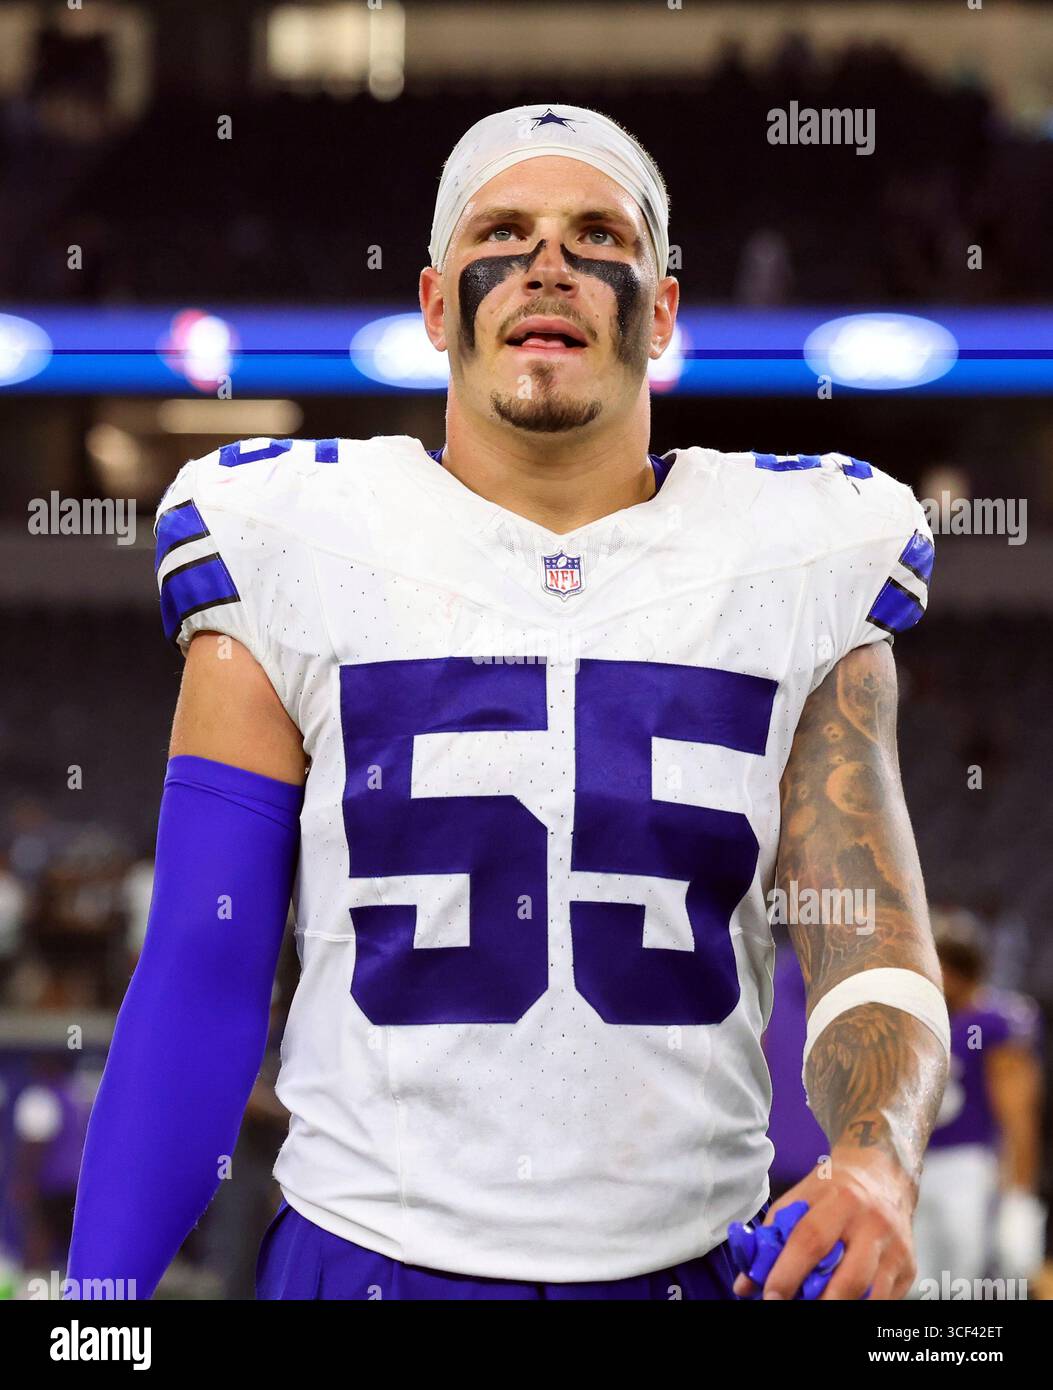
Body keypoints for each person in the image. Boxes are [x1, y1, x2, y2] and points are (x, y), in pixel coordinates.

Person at [68, 103, 948, 1301]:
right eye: (506, 230)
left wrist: (881, 1161)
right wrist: (97, 1309)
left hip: (684, 1267)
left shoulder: (798, 555)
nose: (549, 264)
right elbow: (202, 968)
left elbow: (868, 935)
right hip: (365, 1260)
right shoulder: (294, 539)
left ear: (663, 310)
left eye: (598, 235)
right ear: (437, 302)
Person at [912, 908, 1044, 1294]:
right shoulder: (927, 1018)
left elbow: (1019, 1116)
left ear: (954, 967)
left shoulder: (994, 1022)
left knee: (960, 1281)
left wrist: (1020, 1196)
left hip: (966, 1165)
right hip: (915, 1165)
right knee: (913, 1281)